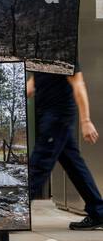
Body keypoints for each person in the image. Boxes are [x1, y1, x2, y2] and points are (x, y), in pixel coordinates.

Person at [29, 66, 103, 230]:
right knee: (75, 166)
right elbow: (33, 82)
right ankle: (98, 212)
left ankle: (17, 213)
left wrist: (86, 121)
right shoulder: (42, 52)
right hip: (48, 116)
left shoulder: (63, 50)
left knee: (38, 165)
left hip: (57, 116)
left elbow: (78, 84)